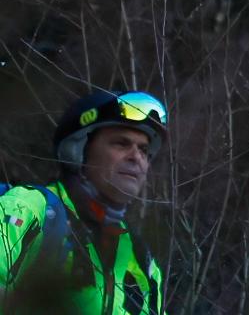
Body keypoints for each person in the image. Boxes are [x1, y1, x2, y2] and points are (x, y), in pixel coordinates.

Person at [0, 89, 167, 313]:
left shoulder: (140, 258)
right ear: (79, 151)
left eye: (144, 150)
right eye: (121, 143)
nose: (136, 156)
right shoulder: (30, 208)